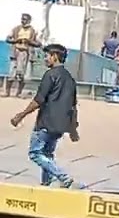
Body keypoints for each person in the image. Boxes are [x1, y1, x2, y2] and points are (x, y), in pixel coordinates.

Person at [9, 43, 78, 187]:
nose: (45, 59)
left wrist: (21, 115)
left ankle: (63, 176)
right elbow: (73, 106)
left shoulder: (50, 75)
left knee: (35, 153)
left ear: (54, 57)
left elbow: (38, 100)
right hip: (60, 125)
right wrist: (73, 129)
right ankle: (46, 183)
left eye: (47, 56)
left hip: (46, 122)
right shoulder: (70, 79)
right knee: (47, 154)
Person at [6, 13, 41, 98]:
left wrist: (29, 42)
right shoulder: (16, 29)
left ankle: (18, 93)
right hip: (16, 53)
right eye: (22, 19)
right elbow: (7, 39)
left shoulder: (34, 31)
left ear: (29, 21)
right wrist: (16, 41)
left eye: (25, 19)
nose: (23, 21)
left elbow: (39, 44)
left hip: (27, 54)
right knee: (11, 73)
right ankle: (7, 92)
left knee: (23, 75)